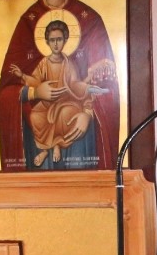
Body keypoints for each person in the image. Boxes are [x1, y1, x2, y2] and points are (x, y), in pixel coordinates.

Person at [0, 0, 120, 171]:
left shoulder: (91, 22)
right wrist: (33, 92)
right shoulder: (27, 23)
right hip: (38, 129)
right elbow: (6, 91)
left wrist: (88, 113)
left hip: (80, 134)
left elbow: (107, 87)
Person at [14, 18, 96, 166]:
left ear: (65, 40)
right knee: (35, 116)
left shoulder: (69, 63)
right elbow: (36, 80)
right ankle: (47, 149)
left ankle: (56, 145)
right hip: (48, 104)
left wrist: (85, 83)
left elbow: (74, 84)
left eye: (59, 39)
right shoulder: (44, 63)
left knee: (64, 115)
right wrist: (23, 76)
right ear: (47, 42)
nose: (56, 44)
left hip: (67, 101)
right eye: (52, 40)